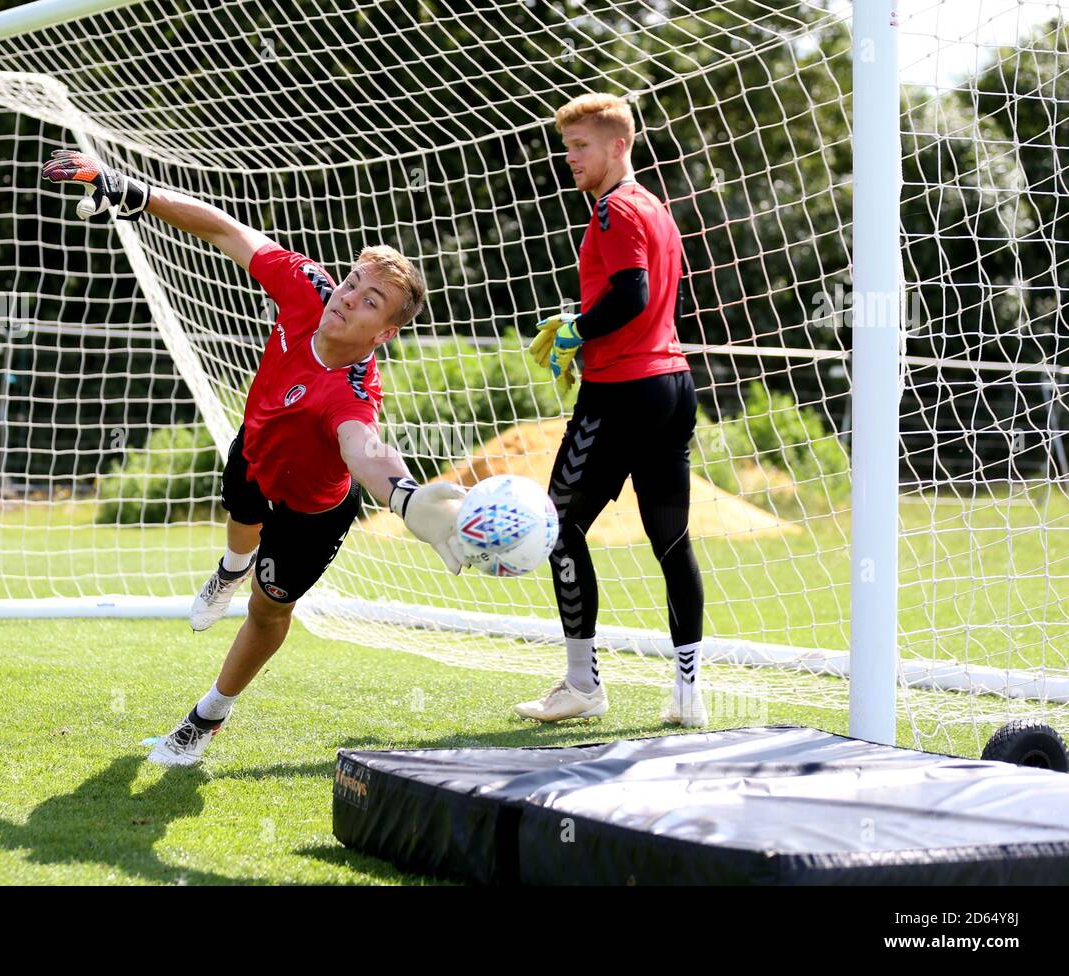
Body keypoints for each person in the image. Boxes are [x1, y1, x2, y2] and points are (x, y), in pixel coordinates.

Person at [43, 150, 468, 765]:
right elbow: (223, 228)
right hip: (256, 446)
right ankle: (230, 566)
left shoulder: (351, 393)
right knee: (239, 508)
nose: (349, 297)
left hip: (310, 510)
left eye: (370, 301)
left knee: (267, 612)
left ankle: (206, 718)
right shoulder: (309, 289)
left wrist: (404, 498)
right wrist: (131, 190)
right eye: (353, 281)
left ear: (384, 333)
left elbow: (365, 448)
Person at [515, 93, 707, 726]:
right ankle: (687, 695)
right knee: (671, 540)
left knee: (556, 526)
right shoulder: (656, 207)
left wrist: (576, 330)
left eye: (581, 147)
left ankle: (582, 685)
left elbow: (632, 292)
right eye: (567, 147)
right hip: (673, 386)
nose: (570, 159)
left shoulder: (613, 210)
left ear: (618, 145)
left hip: (623, 391)